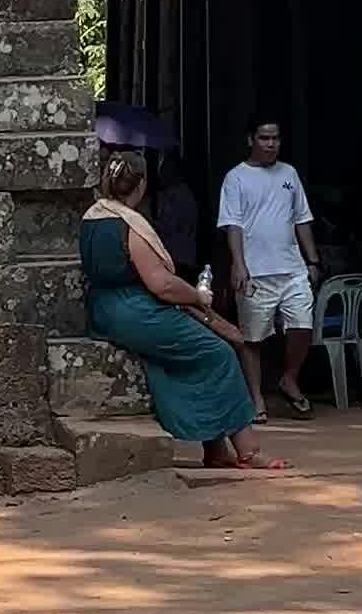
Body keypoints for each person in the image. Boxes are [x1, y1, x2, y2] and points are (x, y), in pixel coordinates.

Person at [79, 152, 285, 470]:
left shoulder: (92, 216)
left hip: (104, 309)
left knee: (190, 358)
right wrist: (198, 295)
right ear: (141, 184)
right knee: (218, 353)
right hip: (134, 311)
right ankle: (247, 449)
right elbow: (162, 285)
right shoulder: (129, 224)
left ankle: (216, 448)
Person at [215, 117, 322, 415]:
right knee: (253, 338)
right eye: (264, 138)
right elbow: (233, 225)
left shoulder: (290, 173)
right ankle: (256, 399)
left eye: (275, 138)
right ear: (251, 140)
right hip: (255, 272)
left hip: (293, 268)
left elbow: (302, 218)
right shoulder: (236, 178)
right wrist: (239, 265)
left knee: (303, 326)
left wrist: (313, 260)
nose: (271, 144)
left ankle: (289, 379)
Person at [154, 154, 202, 283]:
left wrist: (148, 223)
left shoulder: (178, 195)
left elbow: (169, 225)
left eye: (164, 170)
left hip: (178, 257)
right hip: (180, 257)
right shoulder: (178, 193)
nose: (160, 174)